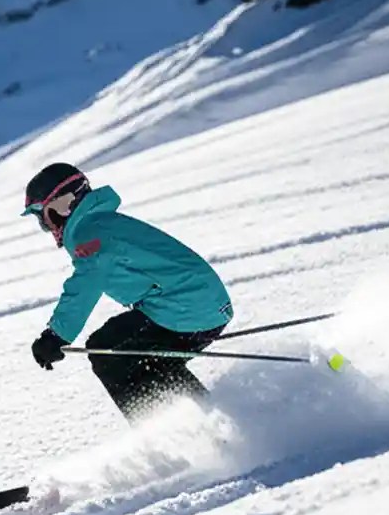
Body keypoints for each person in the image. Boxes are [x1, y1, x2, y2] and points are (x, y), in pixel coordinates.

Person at [24, 162, 234, 422]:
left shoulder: (91, 231)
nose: (47, 228)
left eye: (44, 217)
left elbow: (86, 283)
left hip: (184, 307)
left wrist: (56, 335)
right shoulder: (100, 224)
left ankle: (163, 435)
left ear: (63, 206)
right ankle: (215, 424)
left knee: (108, 351)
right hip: (197, 305)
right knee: (145, 361)